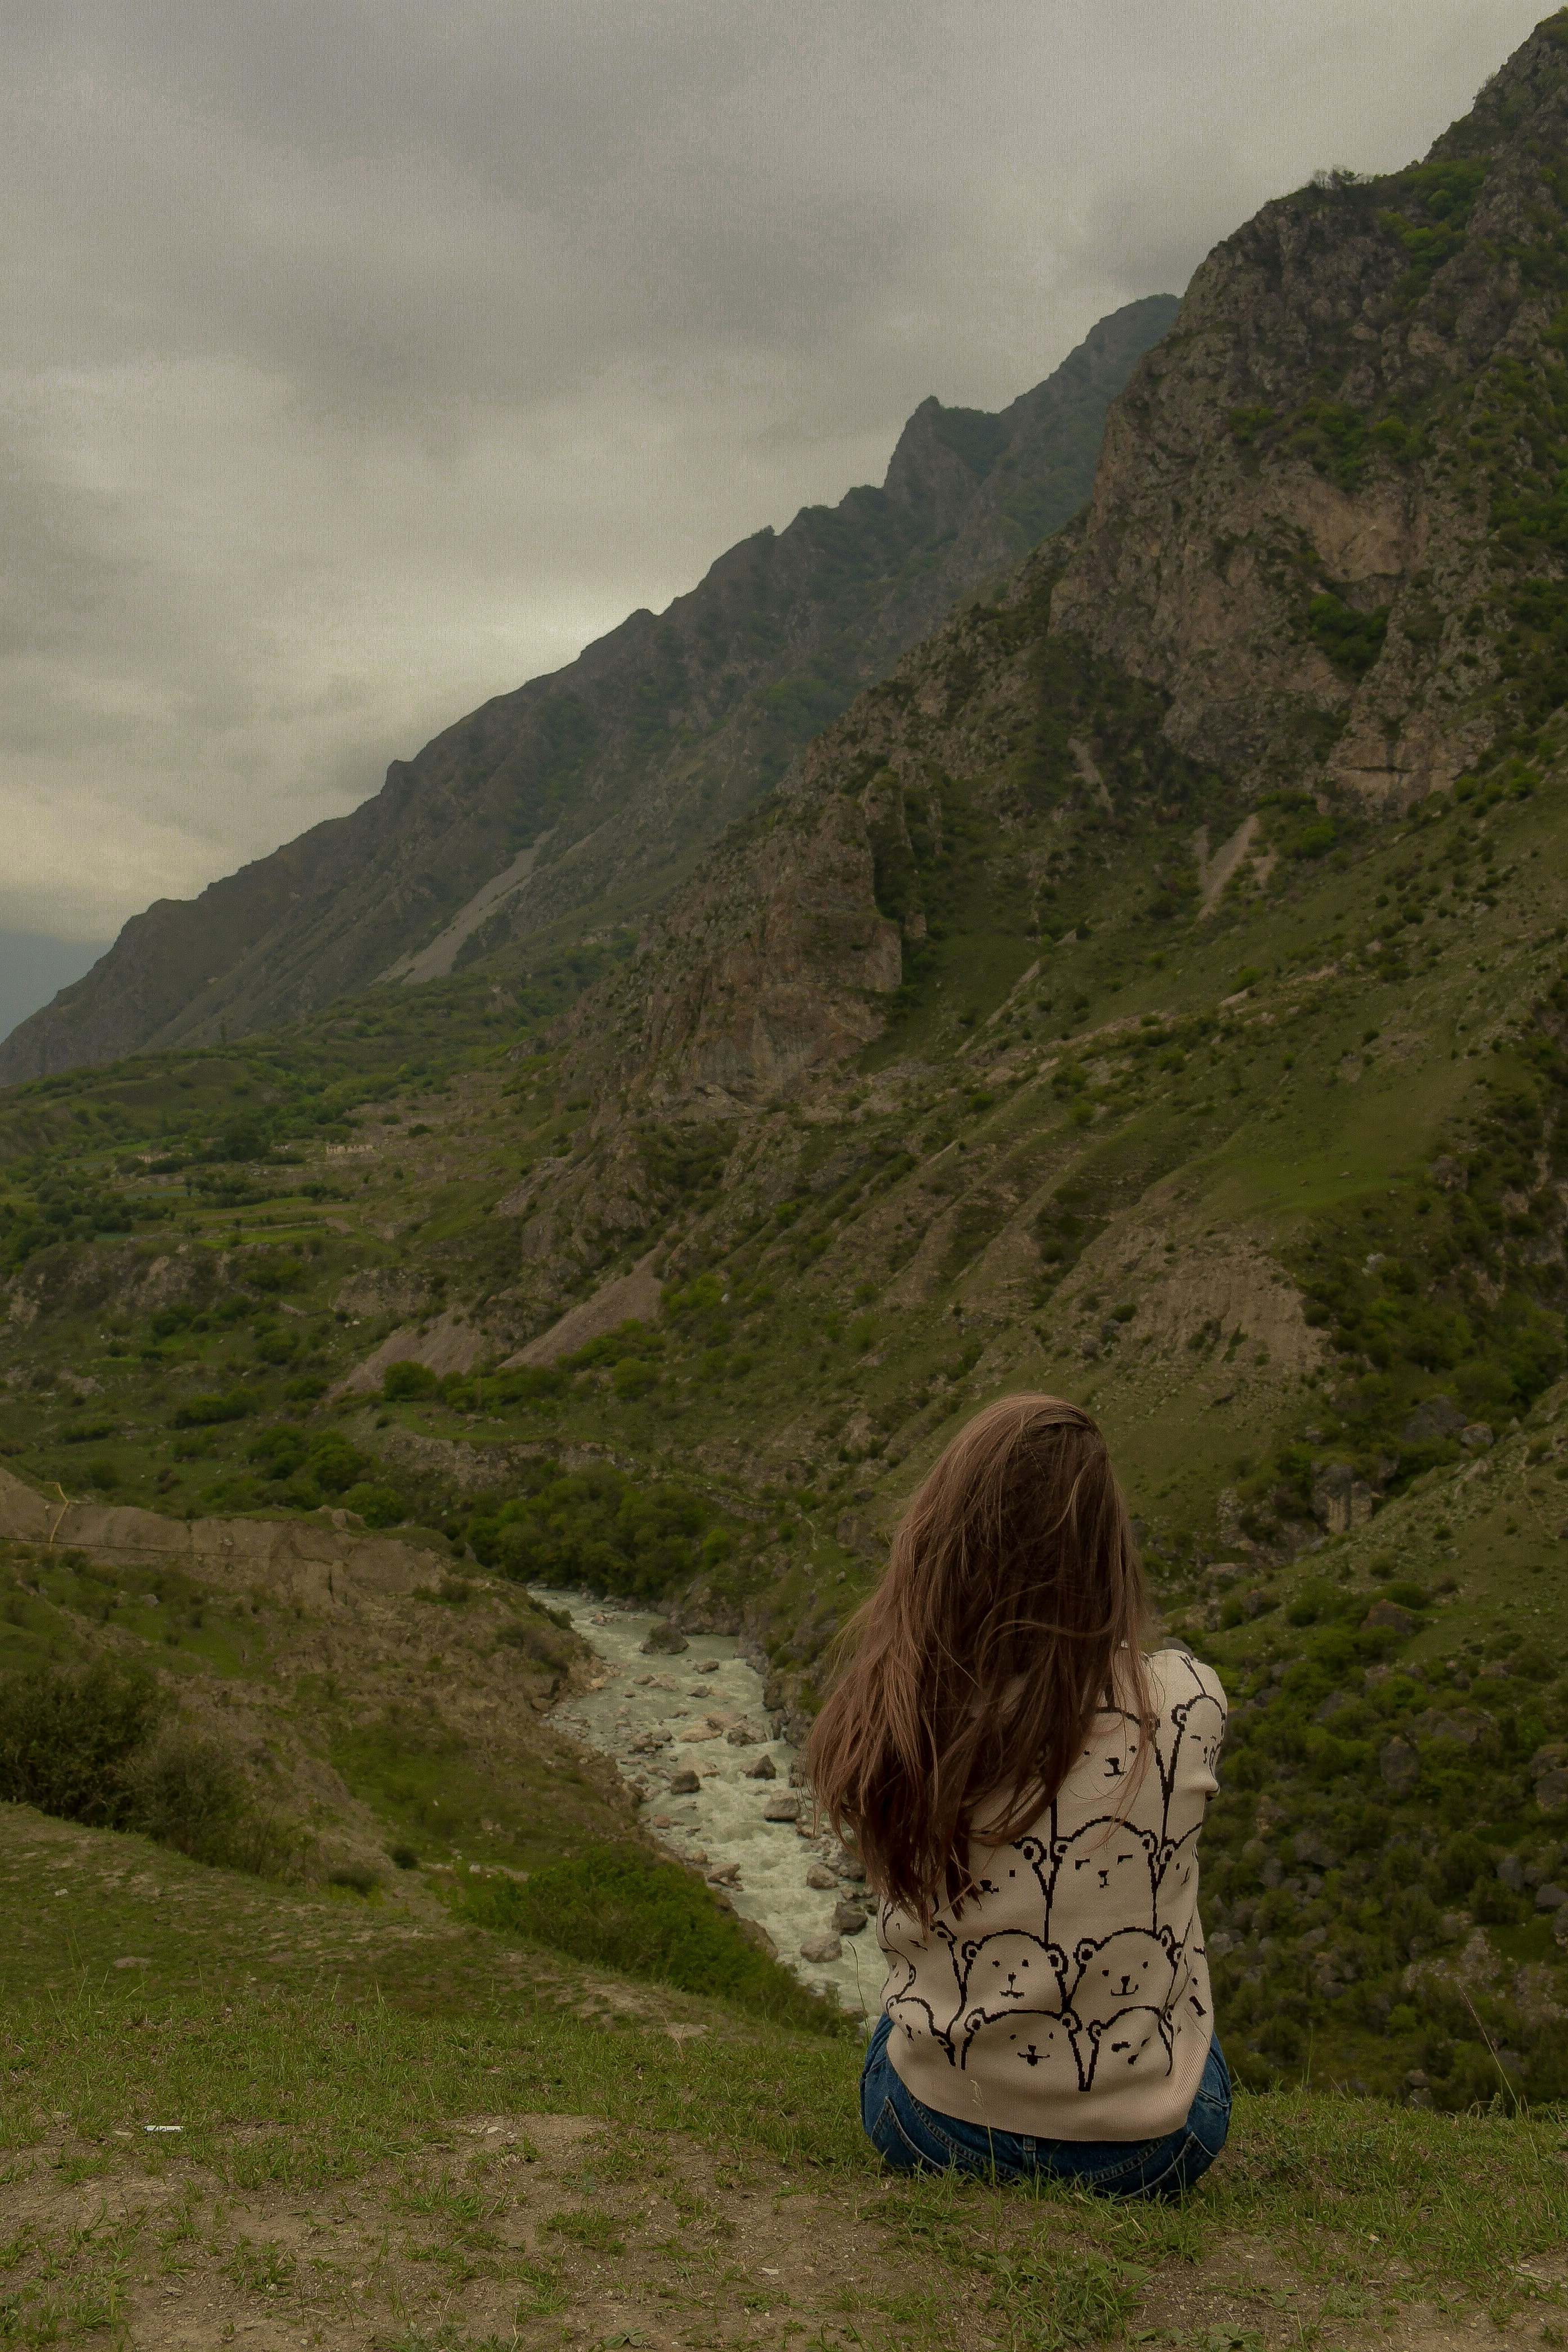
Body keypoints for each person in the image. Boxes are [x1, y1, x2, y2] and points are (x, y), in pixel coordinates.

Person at [807, 1393, 1229, 2198]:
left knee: (892, 2027)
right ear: (1107, 1550)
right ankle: (1122, 2089)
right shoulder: (1186, 1699)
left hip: (927, 2130)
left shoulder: (902, 1705)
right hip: (1149, 2153)